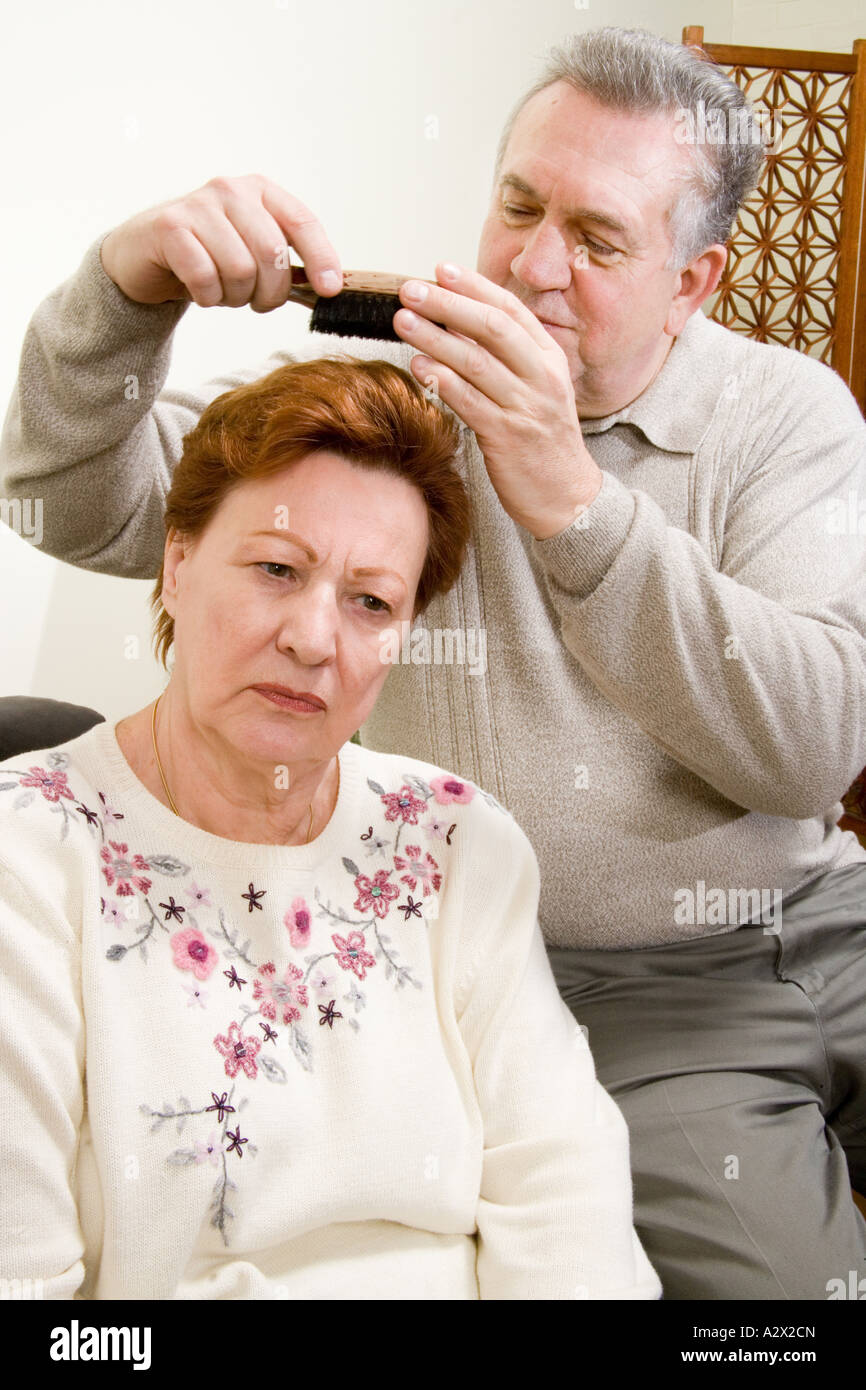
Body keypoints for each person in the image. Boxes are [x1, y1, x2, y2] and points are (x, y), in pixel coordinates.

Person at [2, 24, 865, 1299]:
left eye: (599, 236)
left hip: (822, 917)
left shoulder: (786, 415)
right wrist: (120, 295)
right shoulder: (408, 400)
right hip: (627, 986)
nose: (532, 265)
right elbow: (65, 500)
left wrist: (574, 504)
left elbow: (815, 746)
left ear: (693, 282)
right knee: (784, 1314)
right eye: (517, 204)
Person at [0, 354, 660, 1300]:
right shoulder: (27, 856)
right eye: (276, 569)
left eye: (371, 602)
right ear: (178, 566)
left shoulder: (455, 841)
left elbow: (564, 1194)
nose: (315, 639)